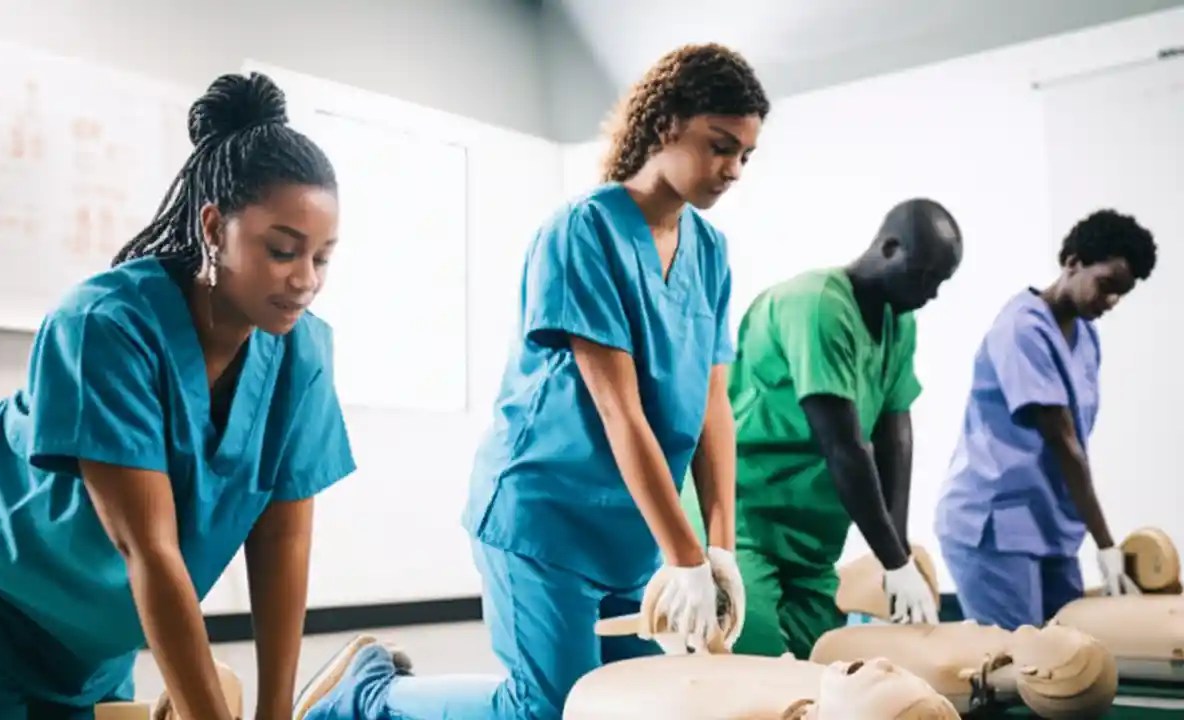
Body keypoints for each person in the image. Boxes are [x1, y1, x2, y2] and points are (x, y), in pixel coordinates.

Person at [297, 43, 770, 720]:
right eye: (721, 146)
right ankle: (367, 698)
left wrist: (717, 550)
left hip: (636, 537)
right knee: (547, 712)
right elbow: (619, 409)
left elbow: (712, 406)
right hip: (544, 517)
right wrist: (686, 556)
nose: (734, 170)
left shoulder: (712, 252)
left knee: (639, 708)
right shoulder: (583, 231)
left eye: (746, 155)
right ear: (668, 124)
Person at [0, 72, 353, 719]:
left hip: (86, 642)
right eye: (283, 250)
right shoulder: (105, 324)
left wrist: (275, 712)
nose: (305, 279)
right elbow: (150, 549)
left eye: (323, 257)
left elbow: (282, 541)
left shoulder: (303, 353)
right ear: (212, 226)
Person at [682, 199, 964, 659]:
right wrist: (894, 559)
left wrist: (899, 554)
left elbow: (896, 440)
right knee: (753, 673)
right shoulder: (816, 305)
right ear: (890, 248)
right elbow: (845, 446)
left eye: (942, 282)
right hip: (741, 522)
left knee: (822, 672)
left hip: (811, 544)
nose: (932, 293)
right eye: (926, 275)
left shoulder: (899, 324)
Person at [935, 209, 1157, 631]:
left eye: (1120, 294)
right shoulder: (1022, 328)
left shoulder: (1087, 336)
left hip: (1050, 527)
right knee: (1024, 665)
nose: (1110, 302)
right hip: (993, 525)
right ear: (1073, 262)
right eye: (1106, 286)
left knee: (1072, 658)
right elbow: (1064, 443)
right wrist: (1106, 545)